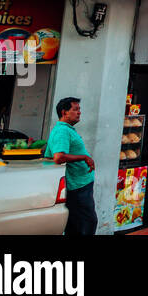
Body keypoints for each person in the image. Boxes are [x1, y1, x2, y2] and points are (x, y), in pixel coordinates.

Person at [45, 97, 96, 235]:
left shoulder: (68, 130)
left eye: (79, 109)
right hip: (77, 188)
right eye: (75, 109)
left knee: (78, 224)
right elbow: (59, 157)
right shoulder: (62, 131)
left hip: (81, 185)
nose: (79, 112)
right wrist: (84, 157)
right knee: (86, 223)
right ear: (64, 112)